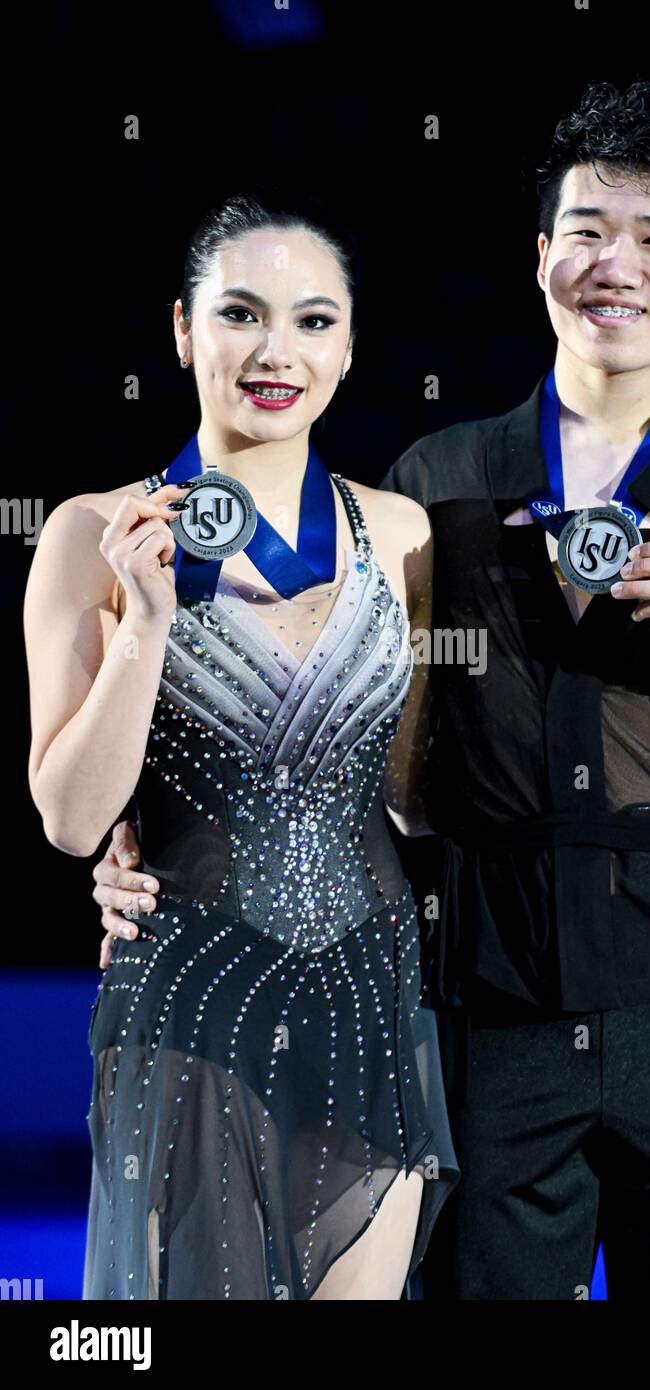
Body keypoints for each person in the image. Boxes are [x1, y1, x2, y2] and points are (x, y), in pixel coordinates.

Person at [92, 78, 650, 1301]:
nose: (616, 261)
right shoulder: (433, 480)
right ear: (540, 259)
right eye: (586, 230)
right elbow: (349, 744)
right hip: (489, 1011)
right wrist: (158, 851)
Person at [24, 190, 459, 1300]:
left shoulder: (400, 534)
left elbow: (417, 796)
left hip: (369, 996)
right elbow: (74, 820)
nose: (278, 351)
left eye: (314, 321)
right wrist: (146, 632)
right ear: (181, 329)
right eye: (240, 314)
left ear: (351, 346)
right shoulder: (88, 530)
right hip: (190, 1004)